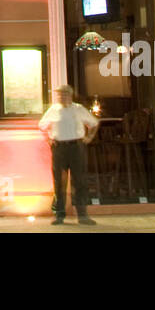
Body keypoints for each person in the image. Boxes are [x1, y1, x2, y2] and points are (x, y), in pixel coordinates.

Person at [37, 85, 99, 226]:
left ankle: (82, 215)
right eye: (59, 95)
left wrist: (89, 137)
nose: (61, 97)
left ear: (70, 95)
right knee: (59, 182)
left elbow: (94, 124)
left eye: (64, 94)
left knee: (80, 181)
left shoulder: (78, 109)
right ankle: (59, 215)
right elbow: (42, 126)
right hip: (59, 148)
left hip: (76, 147)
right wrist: (47, 138)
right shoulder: (53, 110)